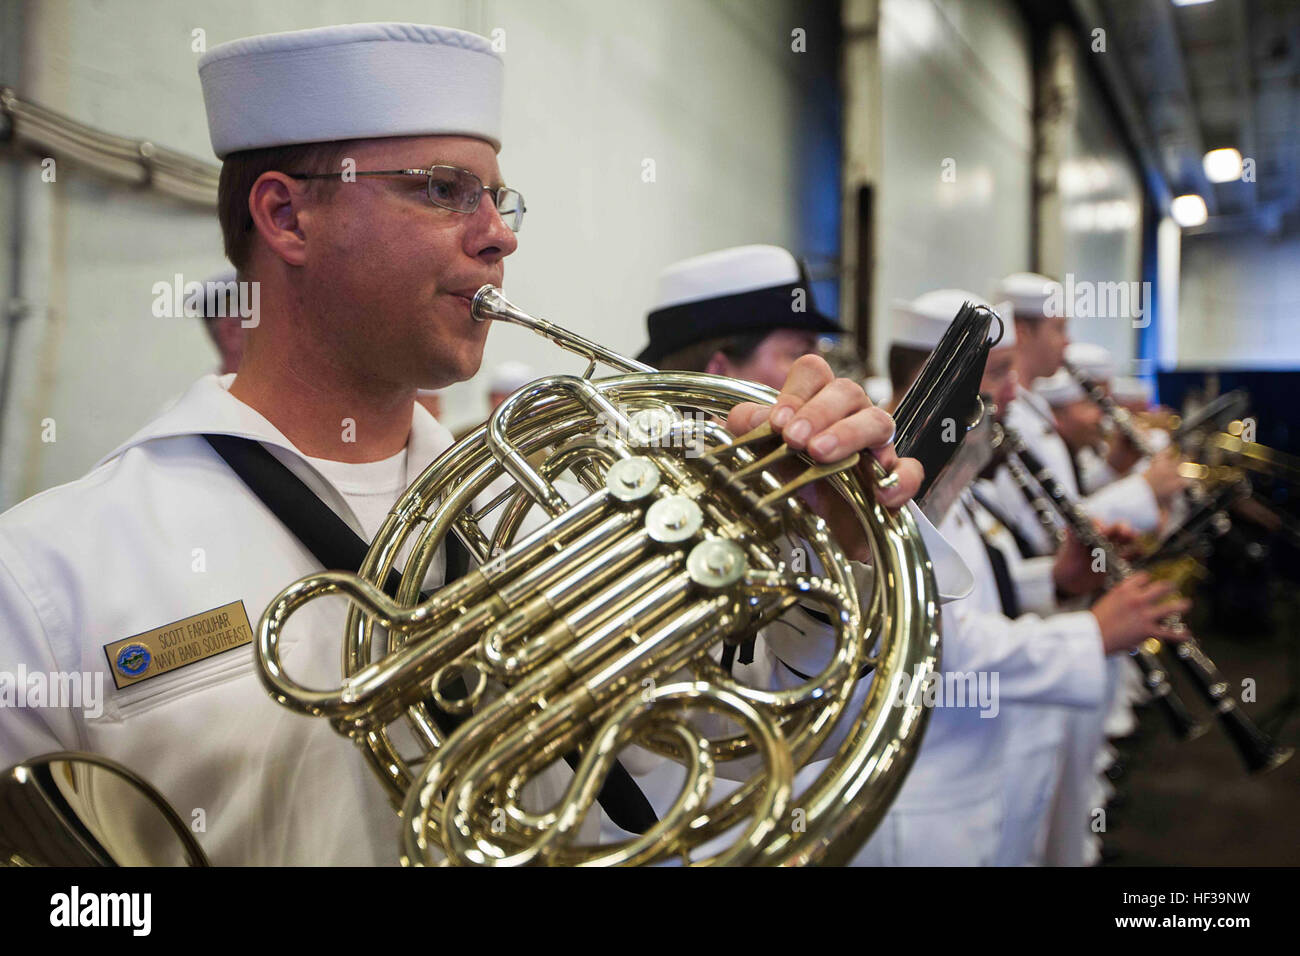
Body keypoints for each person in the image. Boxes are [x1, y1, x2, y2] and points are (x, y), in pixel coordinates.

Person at [0, 24, 929, 865]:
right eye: (442, 192)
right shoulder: (50, 576)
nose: (498, 239)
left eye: (497, 198)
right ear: (287, 218)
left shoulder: (564, 508)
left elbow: (737, 747)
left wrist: (823, 539)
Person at [879, 290, 1188, 865]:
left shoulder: (950, 468)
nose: (1014, 392)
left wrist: (1059, 582)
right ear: (934, 376)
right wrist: (1091, 634)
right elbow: (936, 645)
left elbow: (970, 595)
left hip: (975, 767)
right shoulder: (887, 487)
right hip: (923, 805)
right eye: (998, 373)